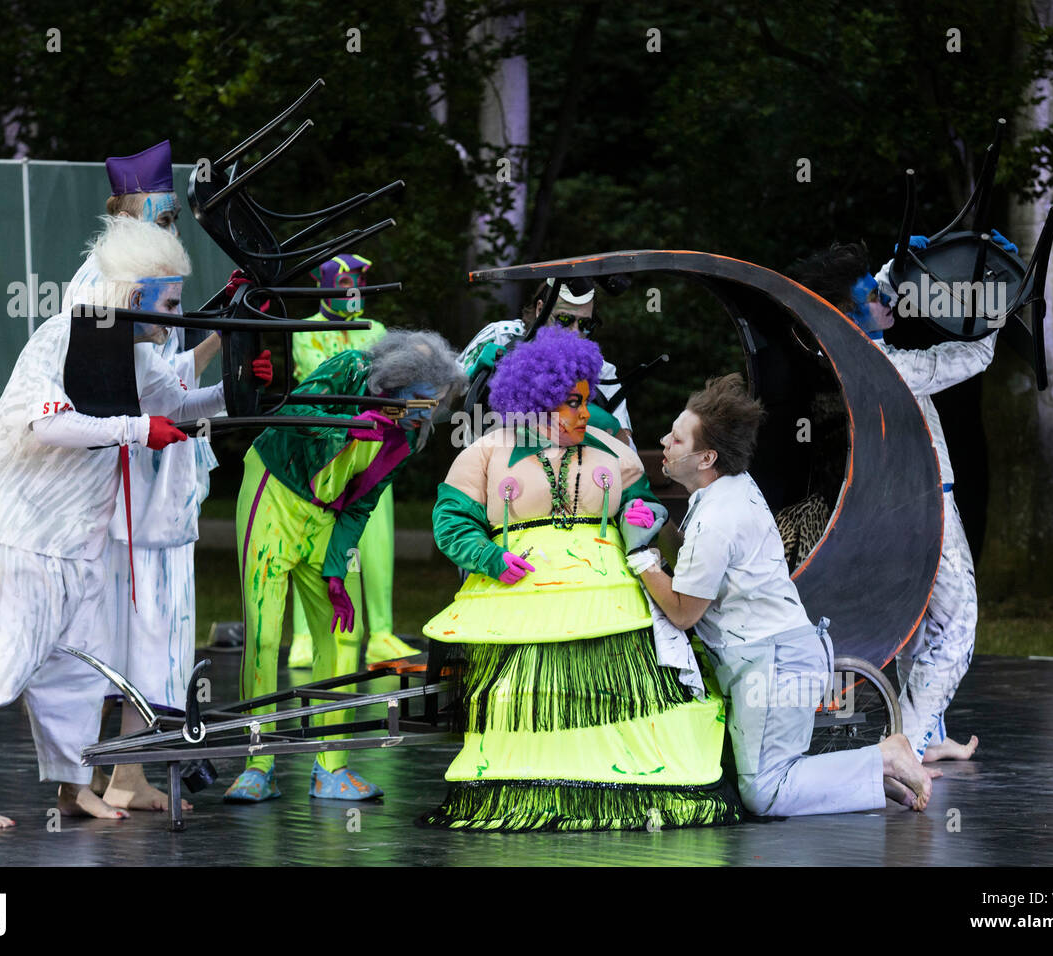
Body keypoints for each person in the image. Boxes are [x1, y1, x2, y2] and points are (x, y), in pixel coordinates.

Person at [0, 216, 228, 827]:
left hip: (67, 542)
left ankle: (71, 786)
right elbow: (49, 423)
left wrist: (236, 395)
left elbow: (172, 404)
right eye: (168, 301)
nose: (176, 314)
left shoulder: (137, 354)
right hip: (2, 531)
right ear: (133, 294)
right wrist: (135, 429)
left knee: (76, 670)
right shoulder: (62, 338)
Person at [422, 326, 743, 831]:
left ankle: (628, 794)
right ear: (539, 398)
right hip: (522, 598)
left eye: (586, 401)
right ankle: (532, 795)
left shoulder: (609, 450)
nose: (582, 413)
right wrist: (487, 556)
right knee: (524, 699)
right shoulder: (486, 451)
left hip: (609, 602)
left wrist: (642, 515)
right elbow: (451, 520)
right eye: (571, 402)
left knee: (628, 698)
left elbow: (644, 504)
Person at [636, 374, 935, 814]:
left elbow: (683, 612)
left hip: (773, 667)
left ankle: (885, 756)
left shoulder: (717, 516)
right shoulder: (731, 488)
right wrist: (662, 530)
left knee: (765, 791)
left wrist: (641, 560)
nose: (664, 441)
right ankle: (874, 775)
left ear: (706, 457)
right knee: (771, 774)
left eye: (677, 439)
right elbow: (701, 567)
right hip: (780, 655)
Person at [787, 237, 1010, 764]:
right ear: (847, 316)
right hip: (925, 508)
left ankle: (924, 739)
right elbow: (976, 352)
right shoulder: (891, 372)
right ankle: (901, 747)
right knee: (956, 629)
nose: (888, 301)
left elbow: (869, 293)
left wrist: (898, 270)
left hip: (889, 512)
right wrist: (1000, 296)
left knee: (917, 628)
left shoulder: (840, 360)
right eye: (874, 298)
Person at [61, 140, 234, 812]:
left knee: (136, 634)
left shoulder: (116, 271)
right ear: (128, 211)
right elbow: (162, 395)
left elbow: (161, 375)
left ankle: (119, 776)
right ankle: (122, 778)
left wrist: (221, 331)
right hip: (137, 496)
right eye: (158, 216)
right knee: (148, 633)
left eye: (169, 219)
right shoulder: (114, 279)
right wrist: (232, 362)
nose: (167, 228)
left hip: (135, 488)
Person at [224, 330, 466, 803]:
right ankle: (259, 764)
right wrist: (353, 425)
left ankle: (330, 767)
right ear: (395, 384)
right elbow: (294, 412)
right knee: (266, 632)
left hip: (328, 518)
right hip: (274, 493)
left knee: (341, 633)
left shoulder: (406, 437)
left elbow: (361, 504)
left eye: (434, 404)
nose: (427, 414)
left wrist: (336, 569)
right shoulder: (349, 371)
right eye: (421, 401)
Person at [284, 254, 417, 669]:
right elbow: (315, 380)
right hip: (324, 453)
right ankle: (305, 634)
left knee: (377, 544)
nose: (354, 291)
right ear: (324, 284)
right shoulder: (304, 331)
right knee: (313, 543)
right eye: (345, 282)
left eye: (358, 281)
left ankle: (381, 633)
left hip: (373, 447)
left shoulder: (375, 329)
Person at [459, 278, 634, 445]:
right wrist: (465, 381)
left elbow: (628, 453)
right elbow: (439, 405)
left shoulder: (601, 370)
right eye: (564, 320)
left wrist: (601, 422)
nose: (574, 332)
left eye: (585, 324)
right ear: (540, 309)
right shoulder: (502, 336)